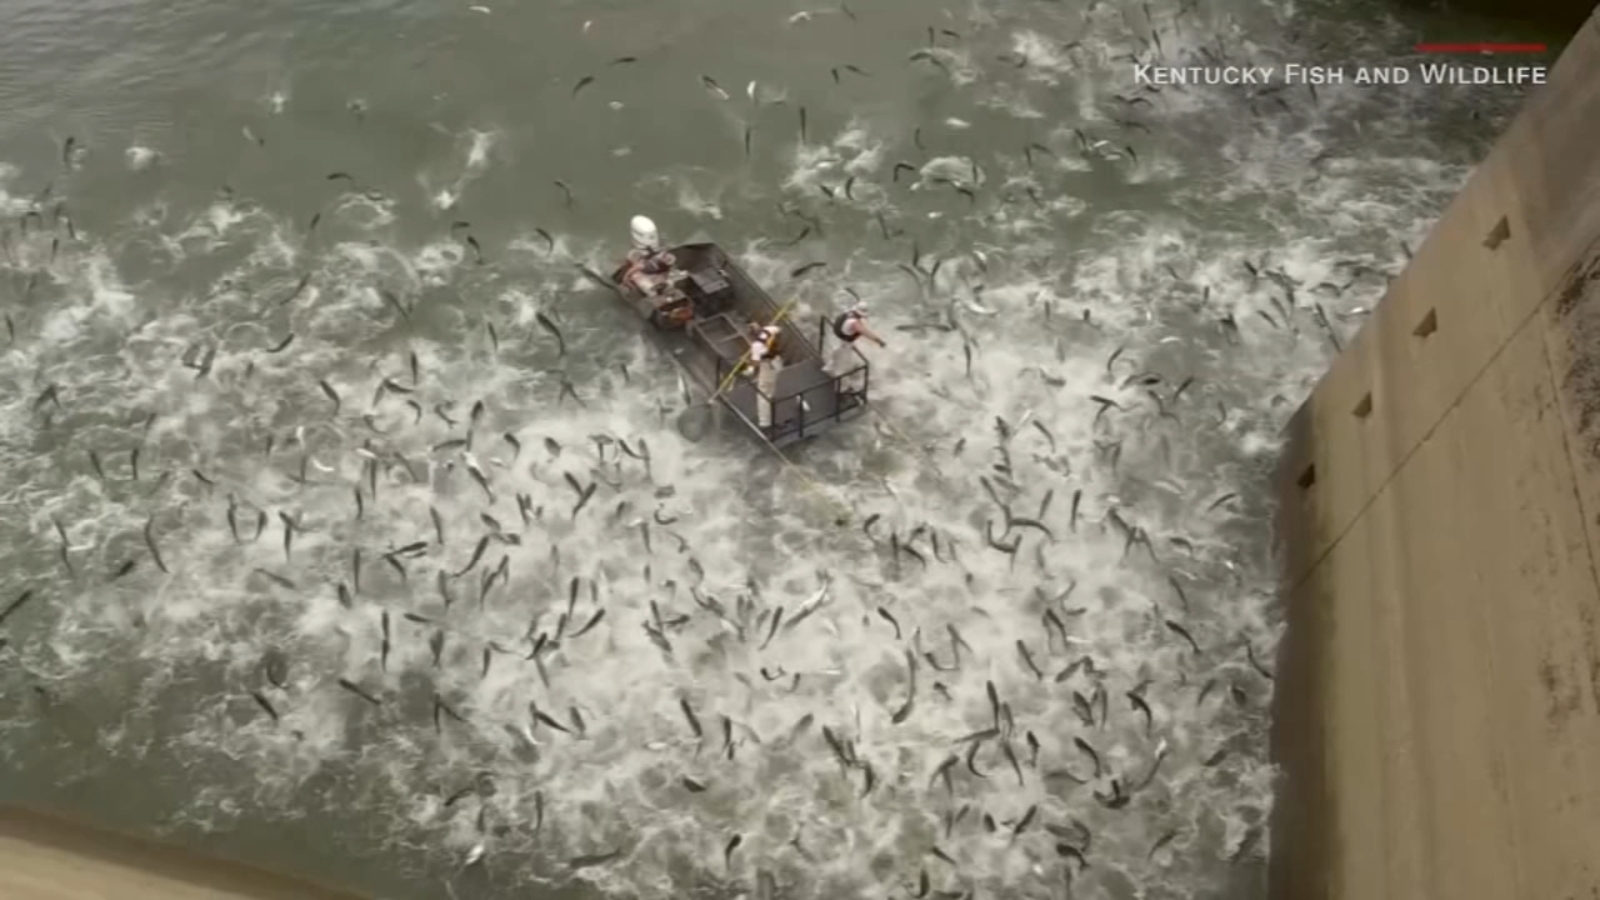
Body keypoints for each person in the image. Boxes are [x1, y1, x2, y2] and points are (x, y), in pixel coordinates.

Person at [825, 302, 884, 395]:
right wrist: (879, 341)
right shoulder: (855, 324)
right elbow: (865, 332)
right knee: (844, 367)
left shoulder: (848, 312)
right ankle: (841, 388)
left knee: (835, 355)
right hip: (845, 344)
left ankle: (828, 368)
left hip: (837, 339)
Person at [621, 215, 676, 294]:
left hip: (659, 274)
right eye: (667, 259)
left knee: (670, 282)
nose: (668, 259)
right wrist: (625, 280)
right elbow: (634, 269)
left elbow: (668, 267)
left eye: (668, 260)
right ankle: (651, 292)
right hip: (646, 273)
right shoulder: (649, 264)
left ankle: (661, 289)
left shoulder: (667, 260)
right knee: (640, 280)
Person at [748, 324, 783, 429]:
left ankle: (765, 422)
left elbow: (756, 364)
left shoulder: (756, 346)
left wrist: (748, 362)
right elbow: (779, 330)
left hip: (768, 366)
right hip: (777, 363)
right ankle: (771, 399)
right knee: (770, 388)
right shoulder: (769, 329)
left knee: (763, 393)